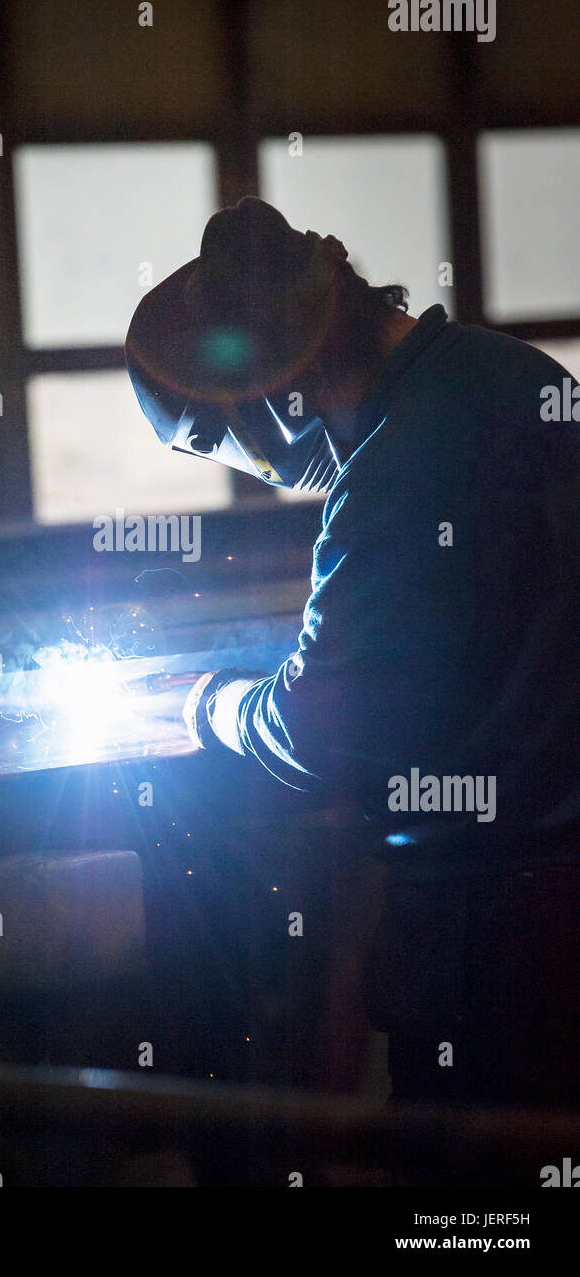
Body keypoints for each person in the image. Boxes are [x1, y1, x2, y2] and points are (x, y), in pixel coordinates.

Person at [124, 196, 580, 1132]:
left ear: (260, 392)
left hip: (503, 916)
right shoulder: (509, 371)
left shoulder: (393, 467)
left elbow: (327, 732)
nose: (248, 467)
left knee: (474, 1207)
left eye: (219, 440)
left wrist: (205, 705)